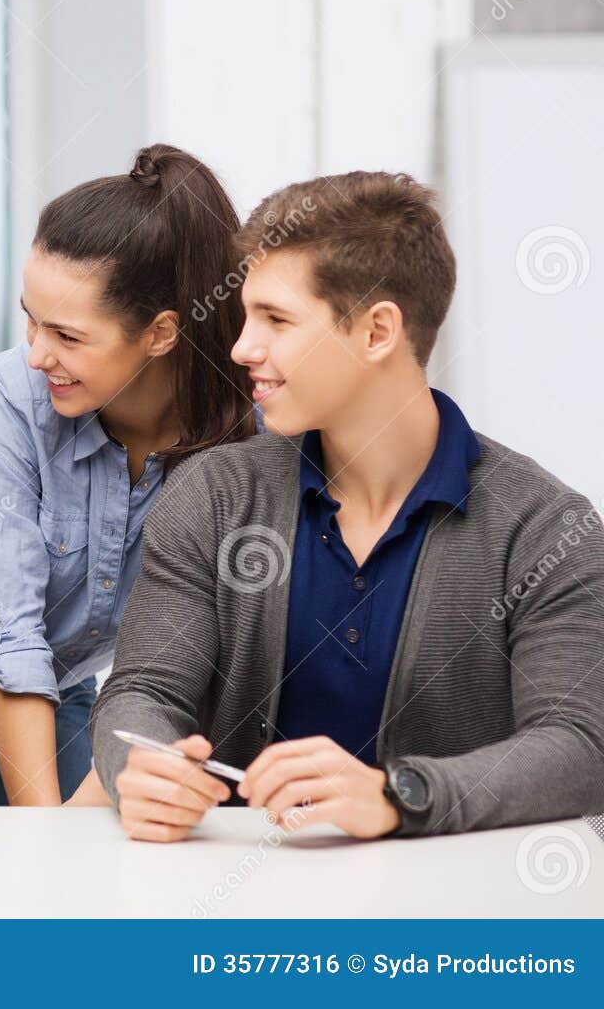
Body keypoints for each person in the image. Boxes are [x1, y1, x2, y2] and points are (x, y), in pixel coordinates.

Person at [91, 171, 604, 840]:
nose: (242, 347)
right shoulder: (214, 497)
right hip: (234, 909)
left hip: (455, 914)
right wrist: (144, 763)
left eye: (275, 319)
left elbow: (579, 750)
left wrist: (400, 796)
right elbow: (138, 695)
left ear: (376, 332)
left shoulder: (545, 531)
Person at [0, 144, 255, 805]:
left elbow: (190, 668)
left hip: (61, 687)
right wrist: (45, 840)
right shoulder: (12, 396)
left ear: (162, 333)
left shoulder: (250, 443)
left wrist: (67, 835)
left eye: (67, 336)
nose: (35, 355)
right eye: (29, 321)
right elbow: (10, 636)